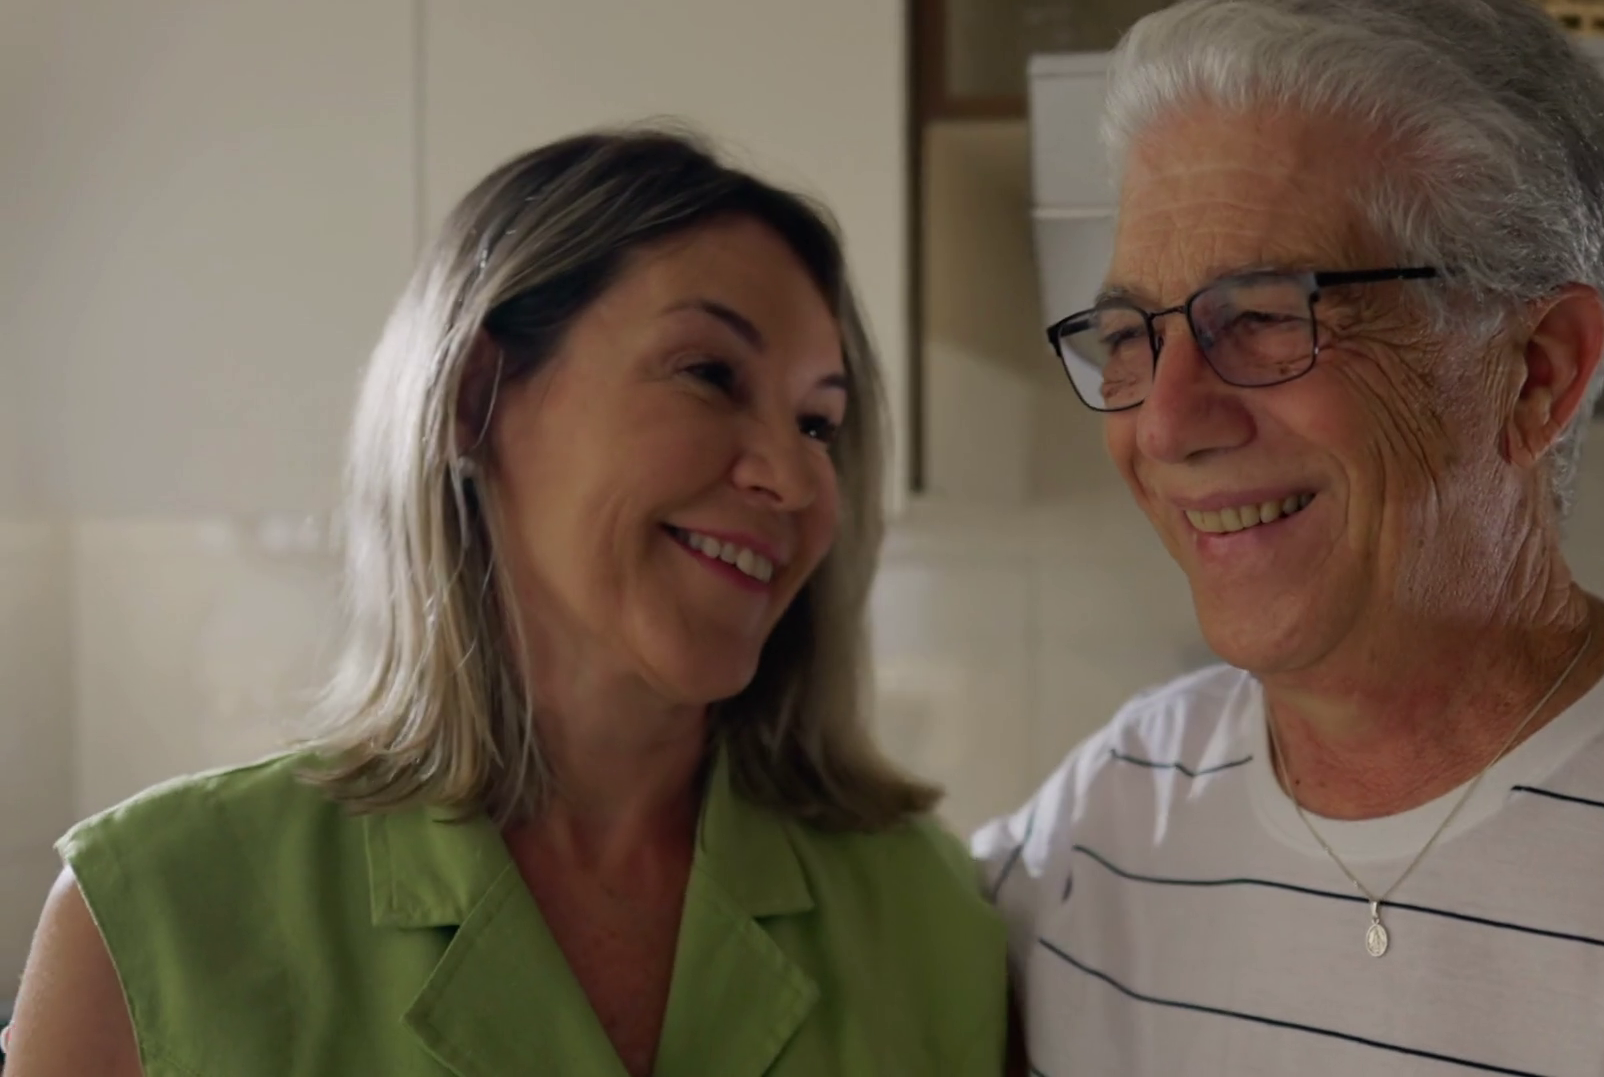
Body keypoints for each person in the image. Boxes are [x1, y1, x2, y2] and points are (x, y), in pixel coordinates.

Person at [973, 0, 1604, 1073]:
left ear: (1537, 372)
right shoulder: (1103, 818)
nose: (1167, 422)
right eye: (1126, 337)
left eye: (1270, 314)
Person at [9, 127, 1007, 1077]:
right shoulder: (154, 922)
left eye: (820, 423)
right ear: (474, 397)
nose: (792, 478)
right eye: (709, 373)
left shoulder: (929, 917)